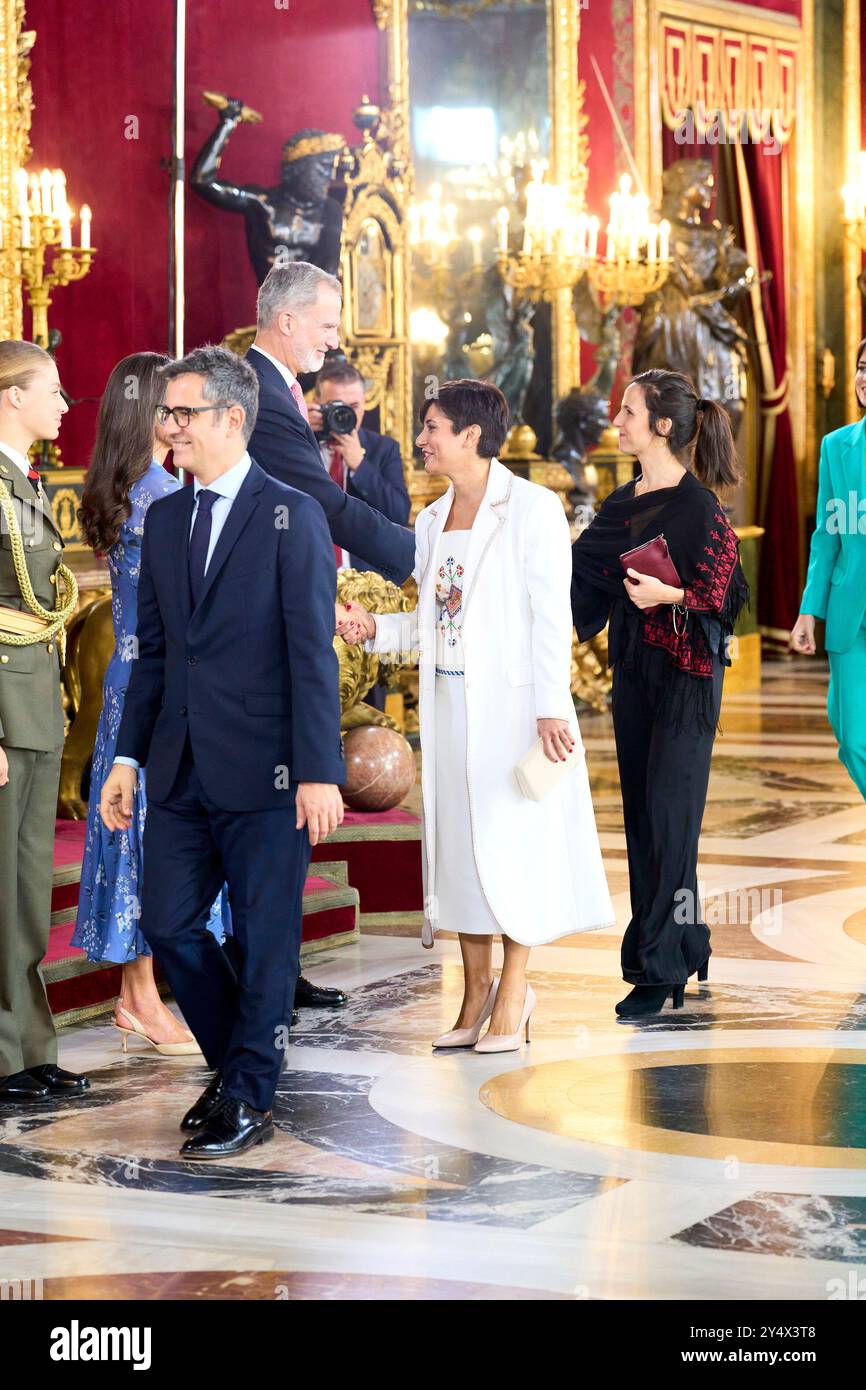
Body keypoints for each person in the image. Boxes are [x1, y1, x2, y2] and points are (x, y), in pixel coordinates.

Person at [99, 346, 345, 1159]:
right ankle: (242, 1059)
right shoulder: (165, 516)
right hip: (175, 765)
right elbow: (154, 651)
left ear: (232, 420)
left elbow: (313, 651)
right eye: (164, 413)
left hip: (270, 768)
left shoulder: (291, 513)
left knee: (268, 936)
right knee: (169, 926)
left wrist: (317, 770)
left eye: (182, 413)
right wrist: (127, 760)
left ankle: (246, 1091)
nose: (167, 428)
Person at [339, 380, 613, 1052]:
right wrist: (374, 626)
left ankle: (515, 992)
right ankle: (472, 995)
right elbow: (435, 627)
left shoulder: (533, 509)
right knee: (459, 854)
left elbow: (554, 617)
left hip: (518, 711)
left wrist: (553, 707)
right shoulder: (431, 522)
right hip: (449, 711)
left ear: (470, 436)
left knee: (511, 845)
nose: (422, 440)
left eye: (432, 427)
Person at [571, 369, 749, 1020]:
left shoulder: (699, 506)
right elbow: (576, 573)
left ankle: (656, 966)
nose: (616, 422)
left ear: (662, 427)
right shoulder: (621, 503)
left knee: (672, 819)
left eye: (628, 412)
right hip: (634, 676)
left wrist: (672, 594)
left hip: (688, 681)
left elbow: (730, 594)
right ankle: (689, 938)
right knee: (647, 820)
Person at [74, 353, 229, 1055]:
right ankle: (140, 995)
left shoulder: (126, 485)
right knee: (145, 831)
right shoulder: (164, 496)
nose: (179, 417)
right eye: (170, 407)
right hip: (161, 685)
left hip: (128, 681)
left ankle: (139, 991)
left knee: (133, 830)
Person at [0, 340, 89, 1101]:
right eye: (52, 391)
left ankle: (29, 1048)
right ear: (11, 397)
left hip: (30, 702)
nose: (64, 405)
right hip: (3, 712)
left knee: (26, 887)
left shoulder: (21, 480)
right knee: (2, 887)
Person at [246, 260, 415, 591]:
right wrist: (418, 552)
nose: (334, 341)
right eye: (327, 327)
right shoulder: (263, 396)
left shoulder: (270, 387)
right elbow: (322, 502)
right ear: (287, 322)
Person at [789, 336, 866, 802]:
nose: (863, 377)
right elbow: (827, 535)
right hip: (850, 617)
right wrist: (808, 610)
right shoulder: (837, 447)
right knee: (853, 738)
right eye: (861, 366)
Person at [308, 358, 411, 575]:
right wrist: (299, 428)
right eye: (337, 407)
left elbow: (399, 514)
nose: (348, 416)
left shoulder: (384, 448)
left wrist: (361, 466)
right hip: (309, 567)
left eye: (354, 407)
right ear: (318, 403)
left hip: (367, 578)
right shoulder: (300, 443)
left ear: (365, 403)